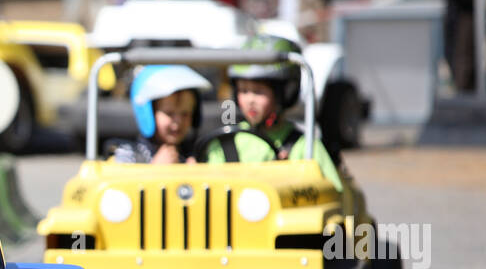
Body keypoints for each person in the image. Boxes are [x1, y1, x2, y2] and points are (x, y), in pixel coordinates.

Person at [204, 34, 344, 190]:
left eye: (258, 92)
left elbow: (333, 191)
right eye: (244, 91)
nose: (250, 100)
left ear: (283, 94)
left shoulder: (302, 145)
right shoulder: (225, 143)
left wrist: (292, 177)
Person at [111, 65, 210, 164]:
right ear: (149, 113)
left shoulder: (196, 155)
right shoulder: (127, 155)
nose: (178, 122)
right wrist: (155, 172)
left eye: (185, 114)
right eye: (169, 113)